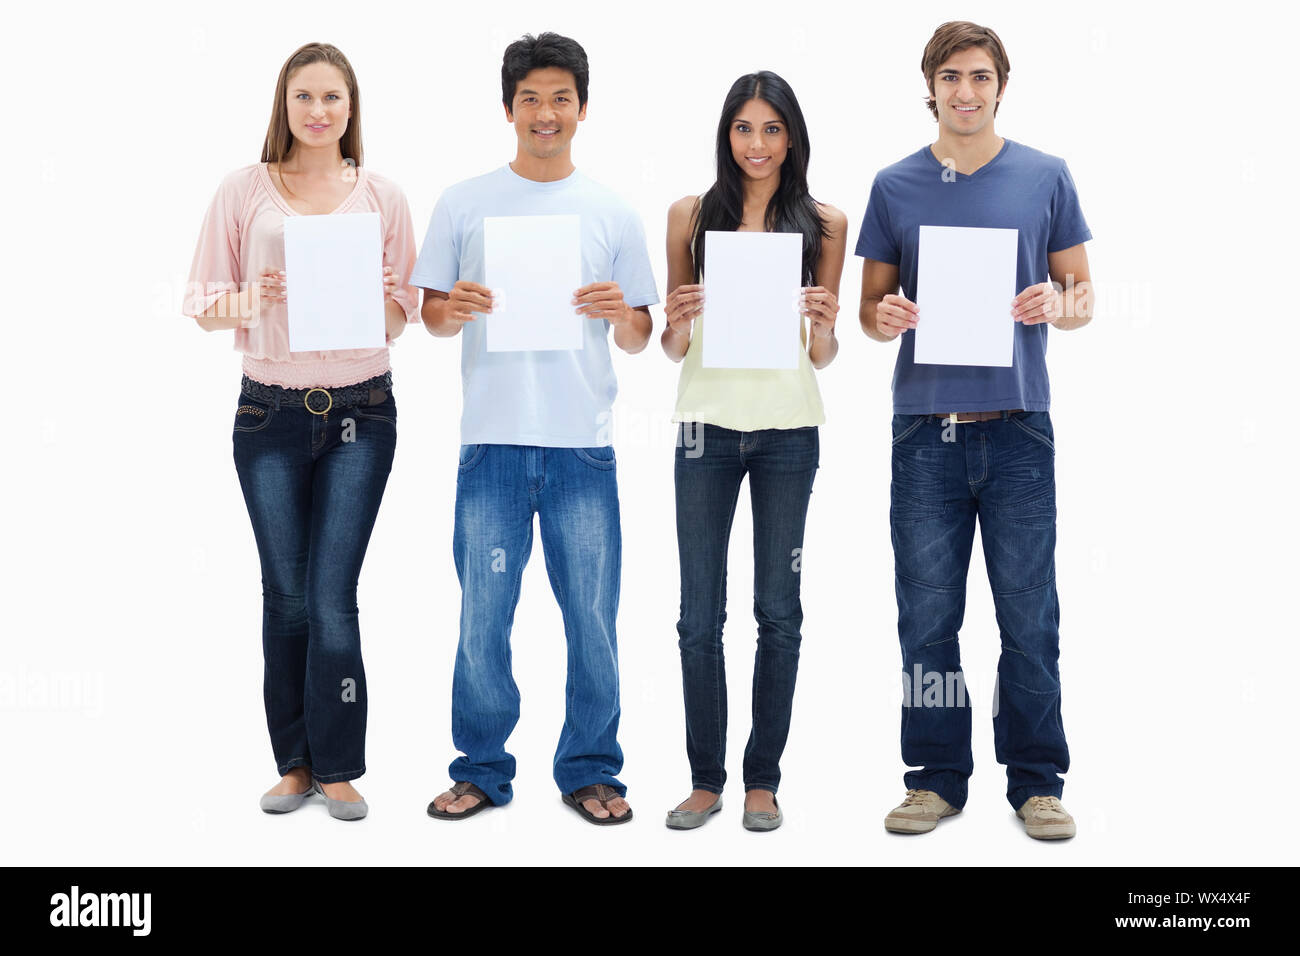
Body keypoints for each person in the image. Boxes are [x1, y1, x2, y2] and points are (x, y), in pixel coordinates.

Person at [857, 21, 1093, 839]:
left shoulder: (1045, 176)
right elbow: (868, 312)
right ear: (930, 85)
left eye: (980, 76)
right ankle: (934, 777)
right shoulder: (895, 186)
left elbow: (1083, 298)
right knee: (927, 617)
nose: (966, 91)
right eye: (951, 76)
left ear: (1001, 84)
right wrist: (884, 316)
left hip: (1019, 430)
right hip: (925, 433)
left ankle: (1035, 781)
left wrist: (1056, 304)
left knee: (1030, 614)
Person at [414, 32, 657, 825]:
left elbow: (641, 334)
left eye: (560, 98)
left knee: (592, 615)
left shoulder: (611, 209)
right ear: (508, 108)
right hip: (490, 441)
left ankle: (591, 768)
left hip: (582, 445)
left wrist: (621, 312)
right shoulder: (464, 201)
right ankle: (481, 768)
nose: (545, 113)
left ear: (581, 108)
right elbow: (432, 320)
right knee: (482, 615)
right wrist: (459, 304)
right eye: (530, 99)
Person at [183, 42, 419, 821]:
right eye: (304, 97)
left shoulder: (381, 197)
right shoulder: (244, 190)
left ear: (352, 111)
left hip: (362, 411)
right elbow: (200, 302)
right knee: (285, 596)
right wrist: (252, 297)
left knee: (330, 594)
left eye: (333, 99)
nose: (319, 112)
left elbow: (400, 319)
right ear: (283, 106)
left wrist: (384, 296)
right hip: (268, 415)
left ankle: (340, 763)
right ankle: (294, 763)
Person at [660, 72, 846, 832]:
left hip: (787, 431)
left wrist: (827, 322)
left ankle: (762, 779)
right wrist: (676, 316)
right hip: (706, 425)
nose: (758, 144)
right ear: (725, 134)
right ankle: (706, 780)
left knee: (779, 609)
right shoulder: (690, 215)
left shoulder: (826, 224)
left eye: (772, 129)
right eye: (744, 128)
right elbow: (674, 347)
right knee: (699, 616)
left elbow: (824, 354)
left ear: (792, 136)